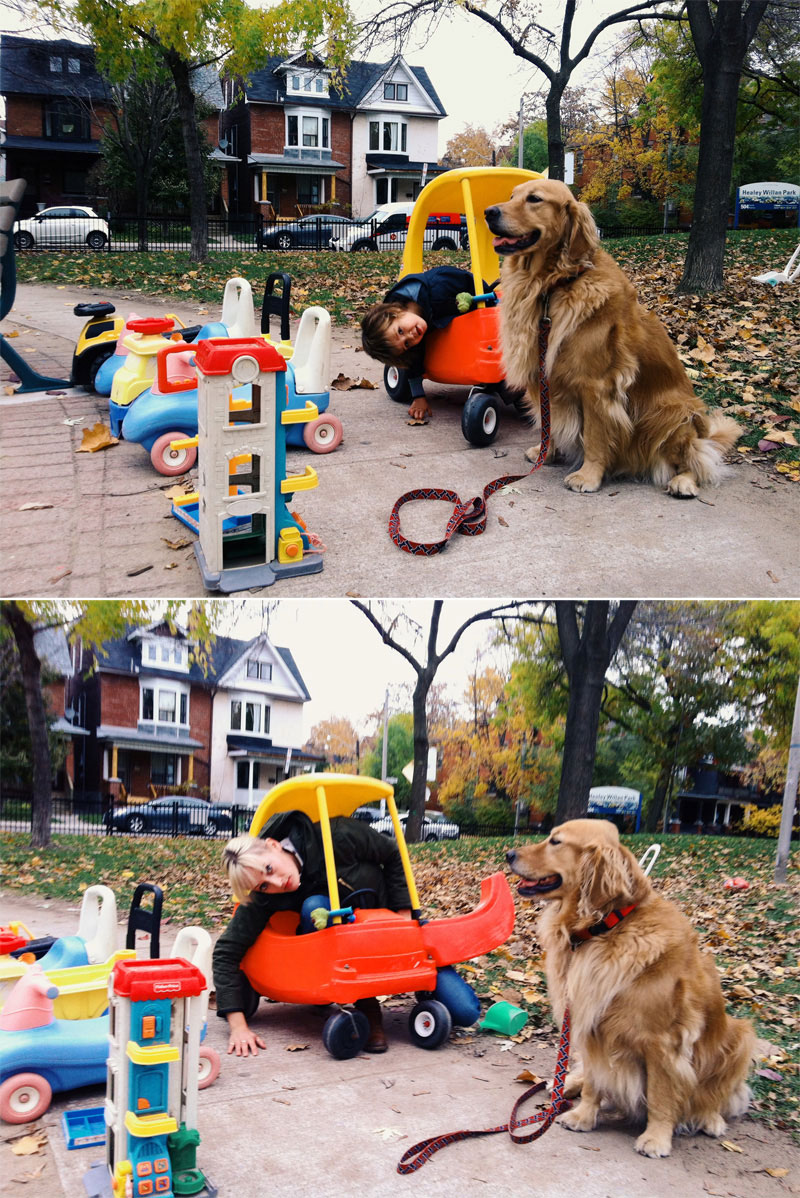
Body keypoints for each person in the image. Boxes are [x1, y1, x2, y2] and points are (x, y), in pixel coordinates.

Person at [212, 807, 412, 1058]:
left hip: (378, 911)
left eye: (270, 869)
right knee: (314, 906)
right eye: (263, 885)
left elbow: (393, 853)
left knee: (465, 1010)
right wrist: (238, 1027)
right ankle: (364, 1002)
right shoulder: (266, 895)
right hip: (340, 937)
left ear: (274, 845)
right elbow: (226, 951)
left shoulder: (337, 834)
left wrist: (403, 913)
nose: (276, 884)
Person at [361, 265, 480, 421]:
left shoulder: (440, 283)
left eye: (400, 331)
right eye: (406, 344)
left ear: (394, 313)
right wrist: (418, 395)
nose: (411, 336)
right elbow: (414, 358)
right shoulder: (414, 329)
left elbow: (476, 284)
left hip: (482, 310)